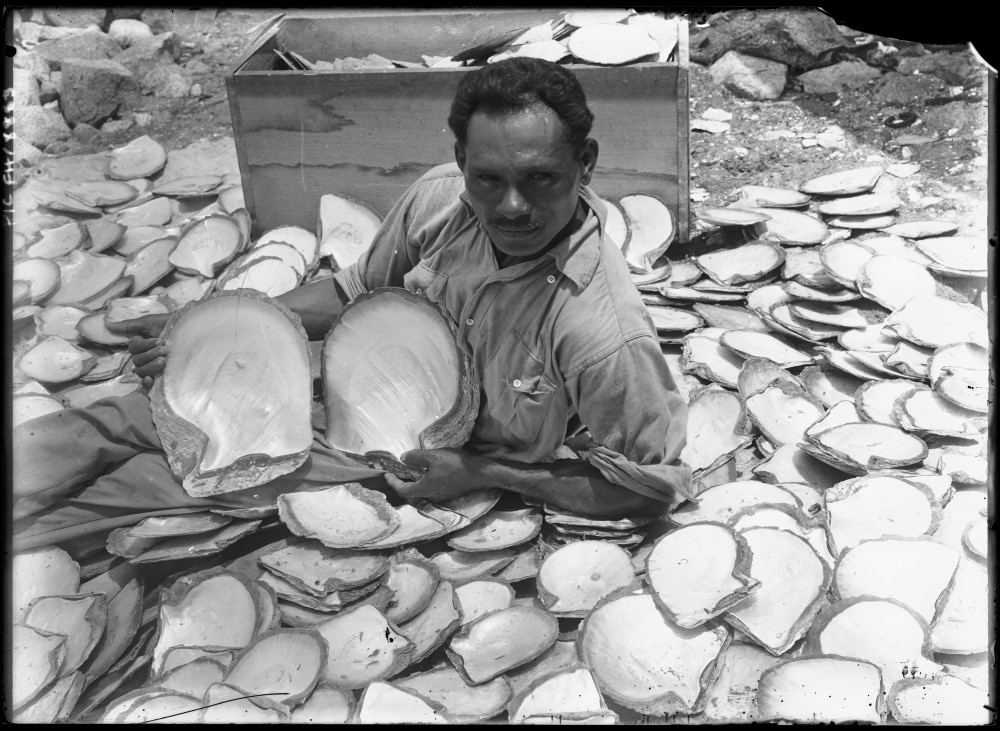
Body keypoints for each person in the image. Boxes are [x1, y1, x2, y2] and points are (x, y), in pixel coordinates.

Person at [13, 58, 690, 551]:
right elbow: (348, 294)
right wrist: (218, 325)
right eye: (490, 179)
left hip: (395, 445)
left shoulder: (600, 329)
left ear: (586, 163)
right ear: (461, 162)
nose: (512, 206)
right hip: (333, 372)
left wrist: (479, 471)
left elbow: (648, 485)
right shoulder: (440, 198)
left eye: (541, 179)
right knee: (108, 421)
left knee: (148, 485)